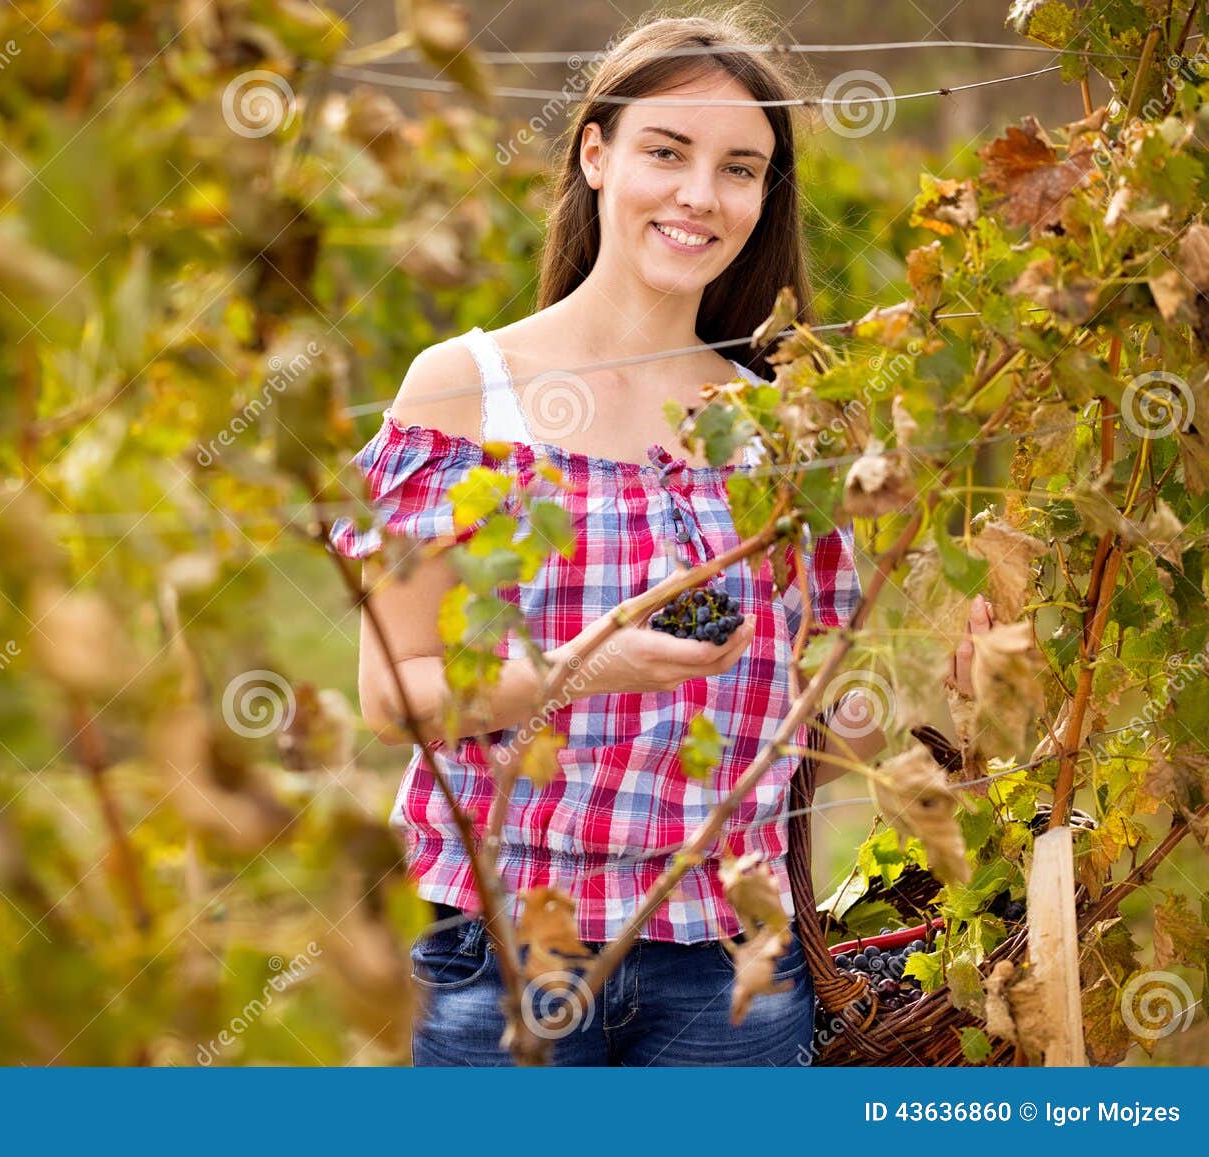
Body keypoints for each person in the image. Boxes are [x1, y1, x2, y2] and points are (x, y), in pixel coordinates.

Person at [327, 8, 978, 1066]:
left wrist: (957, 676)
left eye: (739, 169)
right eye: (666, 152)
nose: (699, 195)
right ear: (596, 154)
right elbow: (391, 694)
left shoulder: (783, 426)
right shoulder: (468, 392)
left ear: (764, 195)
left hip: (726, 968)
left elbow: (812, 730)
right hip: (499, 948)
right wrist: (594, 666)